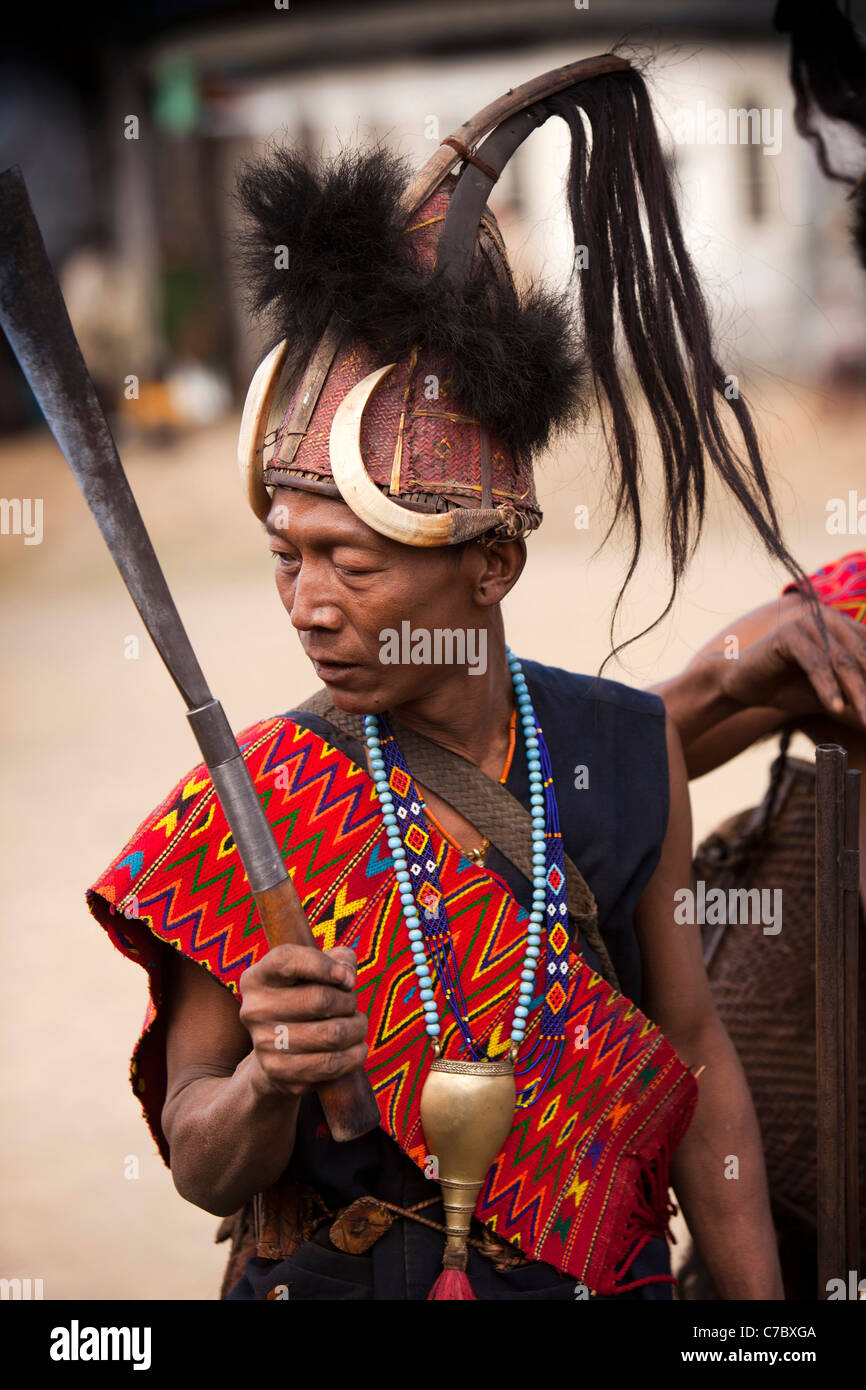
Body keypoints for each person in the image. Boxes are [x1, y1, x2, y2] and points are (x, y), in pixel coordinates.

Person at [86, 54, 815, 1301]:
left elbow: (690, 1063)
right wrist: (267, 1075)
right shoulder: (254, 796)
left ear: (489, 564)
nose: (307, 604)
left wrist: (759, 1327)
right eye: (286, 558)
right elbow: (205, 1162)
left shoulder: (624, 750)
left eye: (352, 564)